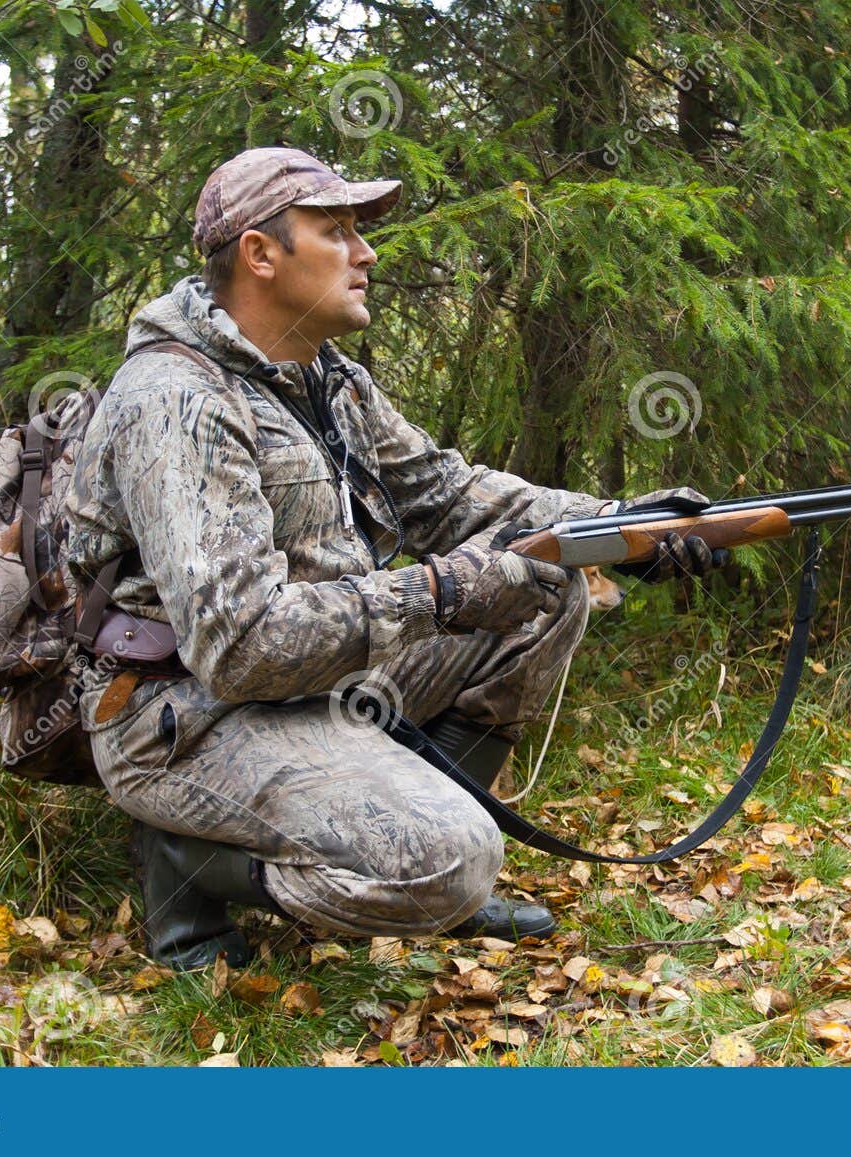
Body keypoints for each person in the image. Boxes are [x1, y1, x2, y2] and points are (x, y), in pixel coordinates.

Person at [64, 147, 725, 970]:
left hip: (311, 678)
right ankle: (185, 867)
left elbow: (445, 493)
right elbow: (236, 646)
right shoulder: (178, 400)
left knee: (549, 589)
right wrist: (443, 590)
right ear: (260, 254)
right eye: (335, 231)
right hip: (185, 717)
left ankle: (399, 828)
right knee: (451, 858)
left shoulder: (321, 376)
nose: (367, 253)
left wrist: (621, 526)